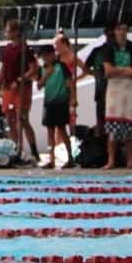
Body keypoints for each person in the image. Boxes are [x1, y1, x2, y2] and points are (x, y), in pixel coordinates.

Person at [89, 19, 132, 171]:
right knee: (112, 126)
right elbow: (108, 71)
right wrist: (127, 70)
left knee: (129, 126)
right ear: (115, 31)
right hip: (114, 90)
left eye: (125, 29)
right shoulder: (108, 48)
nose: (122, 32)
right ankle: (111, 160)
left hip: (129, 90)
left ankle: (130, 160)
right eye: (119, 29)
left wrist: (118, 70)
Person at [0, 16, 38, 164]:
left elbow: (33, 69)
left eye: (8, 31)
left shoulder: (25, 49)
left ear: (16, 32)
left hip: (21, 89)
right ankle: (15, 149)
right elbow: (3, 68)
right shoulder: (7, 49)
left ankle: (33, 150)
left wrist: (20, 79)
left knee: (22, 119)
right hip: (8, 88)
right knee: (9, 119)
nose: (6, 33)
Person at [40, 32, 80, 169]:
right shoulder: (44, 69)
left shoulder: (61, 67)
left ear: (52, 55)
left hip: (61, 102)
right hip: (49, 103)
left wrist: (73, 99)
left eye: (47, 56)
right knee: (50, 132)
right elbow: (39, 85)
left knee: (62, 130)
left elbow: (70, 83)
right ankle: (51, 159)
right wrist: (46, 75)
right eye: (43, 57)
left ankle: (70, 157)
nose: (45, 59)